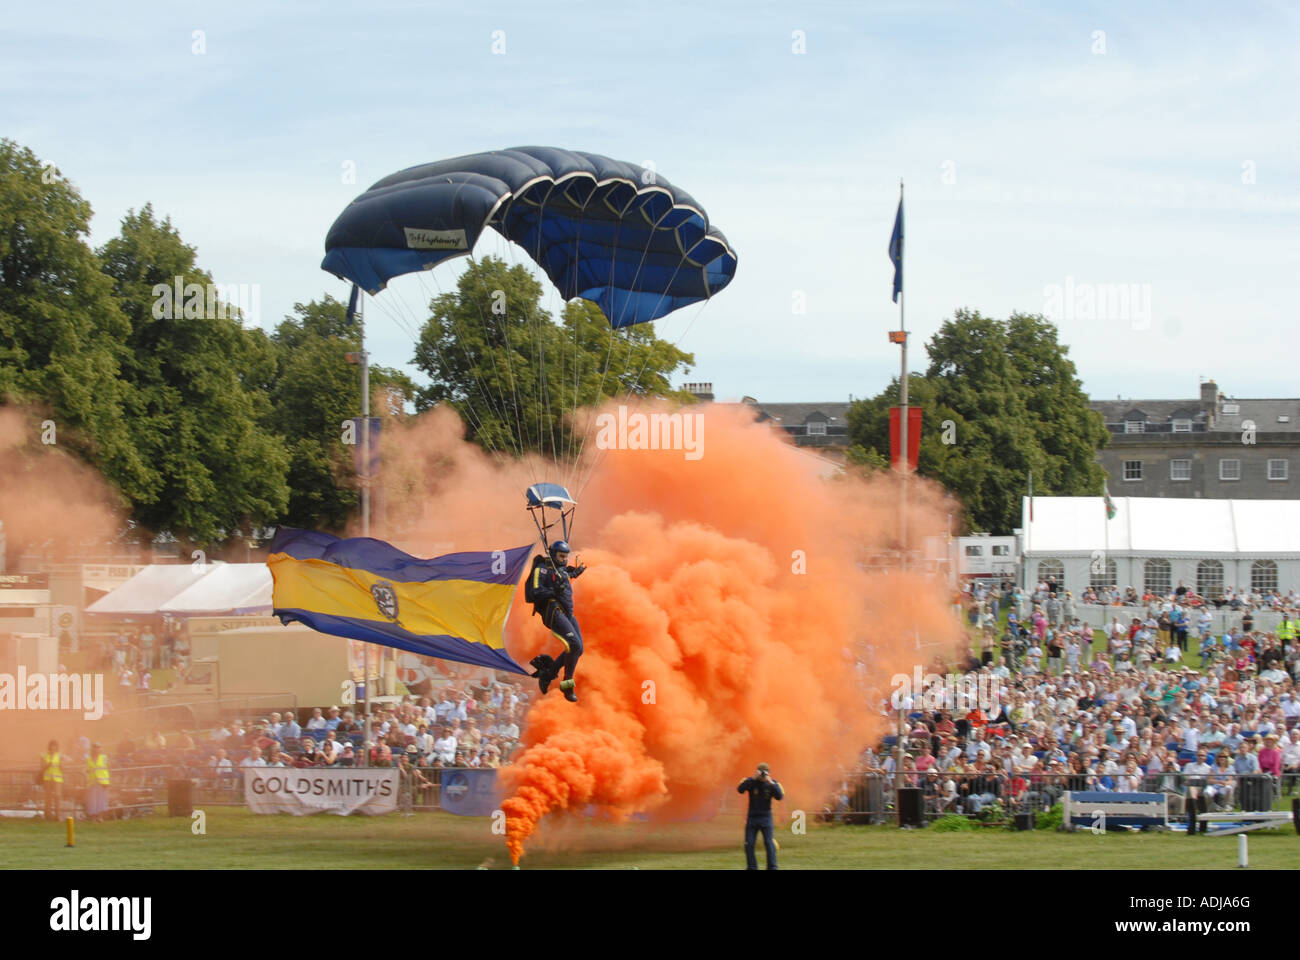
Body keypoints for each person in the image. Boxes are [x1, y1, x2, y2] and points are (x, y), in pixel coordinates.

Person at [526, 539, 588, 703]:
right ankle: (567, 685)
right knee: (574, 644)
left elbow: (564, 576)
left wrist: (575, 573)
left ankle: (549, 673)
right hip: (552, 610)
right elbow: (535, 591)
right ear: (553, 555)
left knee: (578, 649)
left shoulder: (560, 569)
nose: (564, 559)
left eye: (566, 556)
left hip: (566, 613)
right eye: (561, 556)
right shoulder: (542, 569)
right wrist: (553, 591)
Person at [737, 763, 784, 870]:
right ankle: (752, 867)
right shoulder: (751, 782)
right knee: (749, 843)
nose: (762, 776)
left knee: (768, 843)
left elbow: (779, 796)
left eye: (764, 773)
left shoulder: (772, 783)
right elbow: (740, 789)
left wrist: (771, 782)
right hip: (752, 818)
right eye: (761, 773)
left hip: (766, 818)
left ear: (769, 773)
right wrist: (753, 778)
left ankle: (772, 867)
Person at [85, 743, 111, 822]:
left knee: (102, 800)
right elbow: (87, 770)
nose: (96, 749)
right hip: (93, 782)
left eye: (98, 747)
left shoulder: (104, 758)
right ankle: (93, 817)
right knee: (92, 800)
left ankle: (100, 817)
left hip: (102, 782)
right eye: (95, 748)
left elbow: (108, 768)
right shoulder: (88, 759)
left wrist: (107, 781)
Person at [41, 740, 64, 822]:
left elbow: (62, 767)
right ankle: (48, 815)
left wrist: (61, 765)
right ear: (49, 746)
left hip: (57, 779)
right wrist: (48, 765)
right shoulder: (44, 755)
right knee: (48, 797)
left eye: (54, 746)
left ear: (57, 747)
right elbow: (42, 767)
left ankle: (58, 816)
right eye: (51, 745)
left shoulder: (60, 756)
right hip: (47, 778)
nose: (53, 747)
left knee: (57, 796)